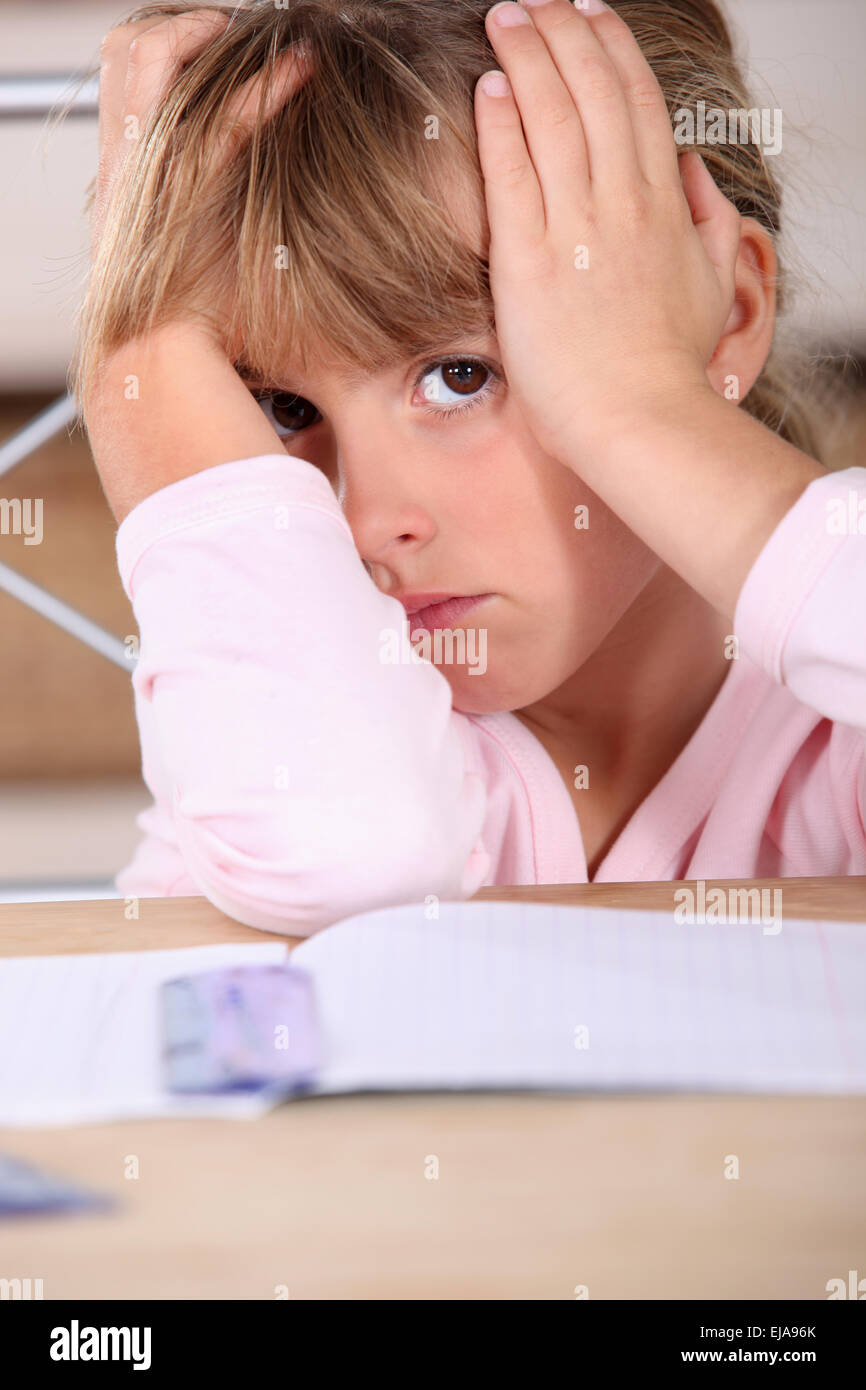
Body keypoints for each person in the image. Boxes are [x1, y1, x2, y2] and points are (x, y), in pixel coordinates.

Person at [72, 0, 866, 933]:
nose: (366, 524)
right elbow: (348, 851)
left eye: (459, 376)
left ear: (726, 317)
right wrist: (141, 350)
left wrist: (646, 401)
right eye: (282, 411)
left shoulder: (831, 733)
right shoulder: (282, 732)